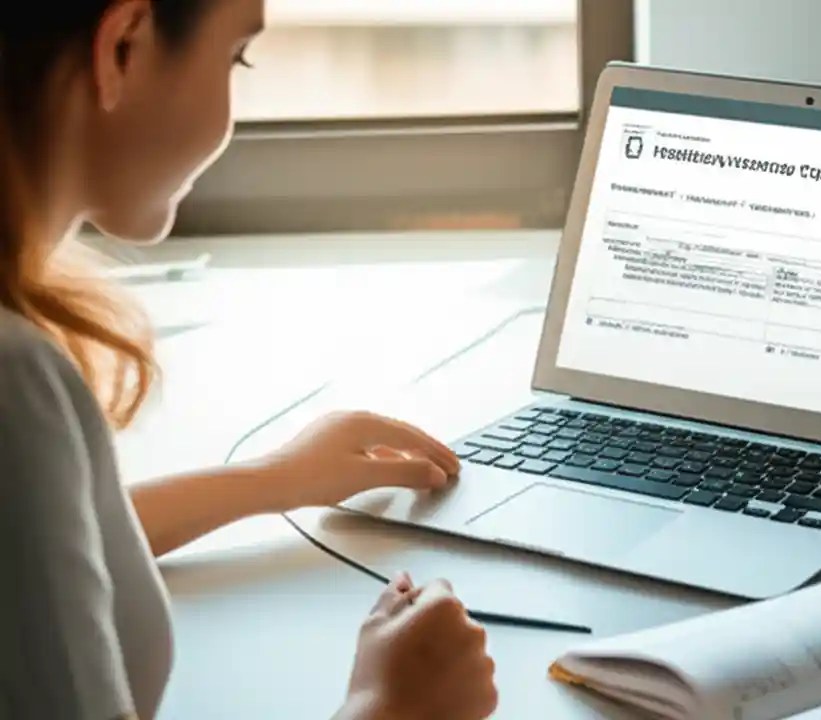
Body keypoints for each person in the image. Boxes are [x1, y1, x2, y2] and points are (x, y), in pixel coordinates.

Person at [0, 2, 498, 719]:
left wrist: (275, 479)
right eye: (236, 56)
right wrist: (389, 706)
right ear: (123, 48)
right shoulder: (15, 386)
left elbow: (38, 554)